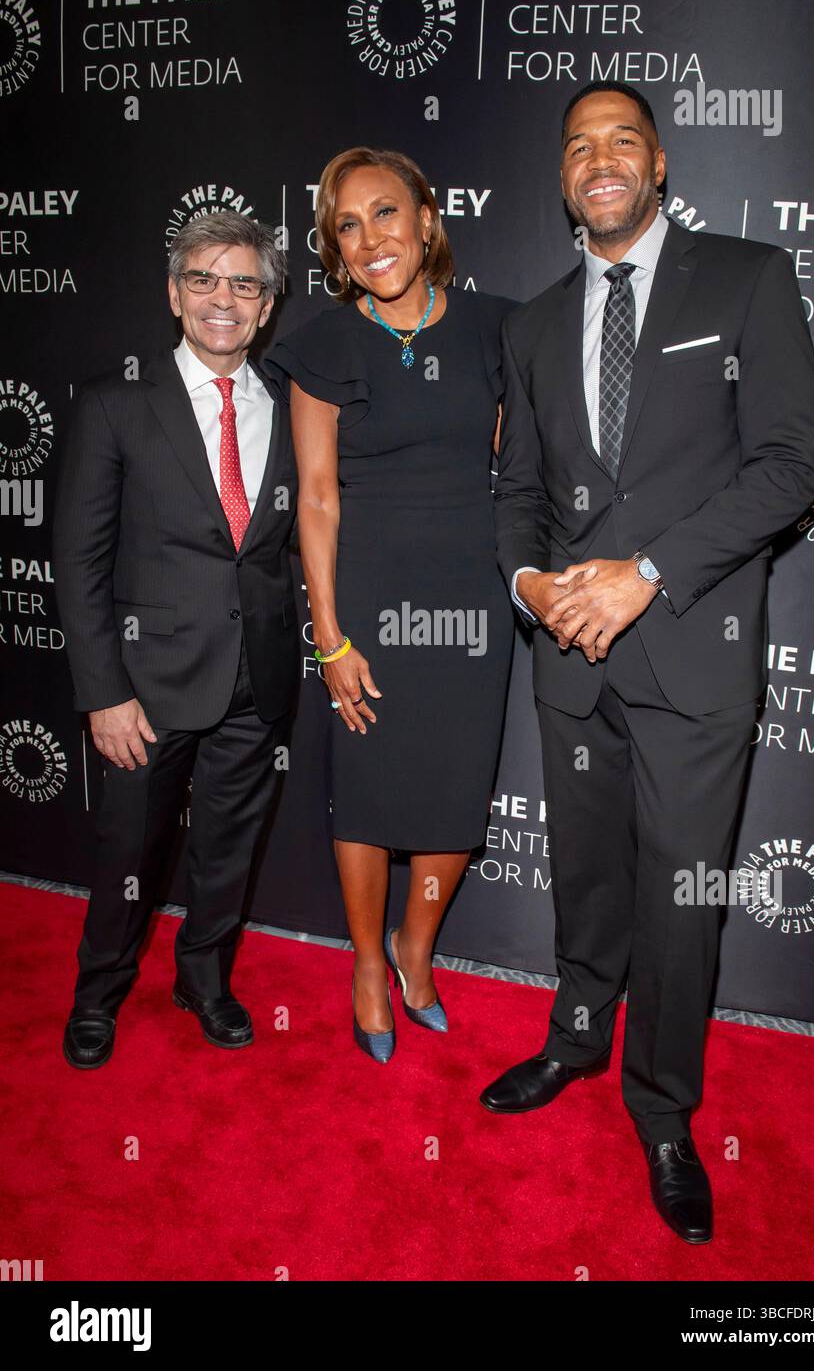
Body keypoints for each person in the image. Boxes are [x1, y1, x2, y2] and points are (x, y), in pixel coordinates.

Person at [484, 81, 814, 1242]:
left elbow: (787, 469)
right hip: (571, 660)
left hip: (692, 653)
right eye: (578, 145)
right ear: (564, 176)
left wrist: (647, 572)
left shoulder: (744, 277)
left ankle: (664, 1110)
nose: (600, 159)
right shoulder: (530, 325)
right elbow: (517, 497)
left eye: (621, 139)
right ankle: (577, 1036)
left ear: (659, 162)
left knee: (681, 900)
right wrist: (530, 588)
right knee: (586, 874)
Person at [266, 147, 514, 1064]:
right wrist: (329, 637)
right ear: (334, 245)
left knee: (455, 788)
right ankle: (368, 961)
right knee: (366, 791)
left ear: (425, 216)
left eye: (386, 212)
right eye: (348, 224)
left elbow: (511, 468)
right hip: (366, 595)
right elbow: (317, 495)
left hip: (471, 595)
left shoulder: (497, 328)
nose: (372, 238)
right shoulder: (322, 341)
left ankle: (419, 945)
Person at [54, 211, 299, 1069]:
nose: (222, 299)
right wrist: (103, 692)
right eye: (203, 279)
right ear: (173, 293)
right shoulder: (116, 405)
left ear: (267, 305)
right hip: (145, 687)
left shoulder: (293, 409)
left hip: (258, 679)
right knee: (131, 852)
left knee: (228, 851)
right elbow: (77, 560)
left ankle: (205, 978)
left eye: (244, 284)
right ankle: (99, 992)